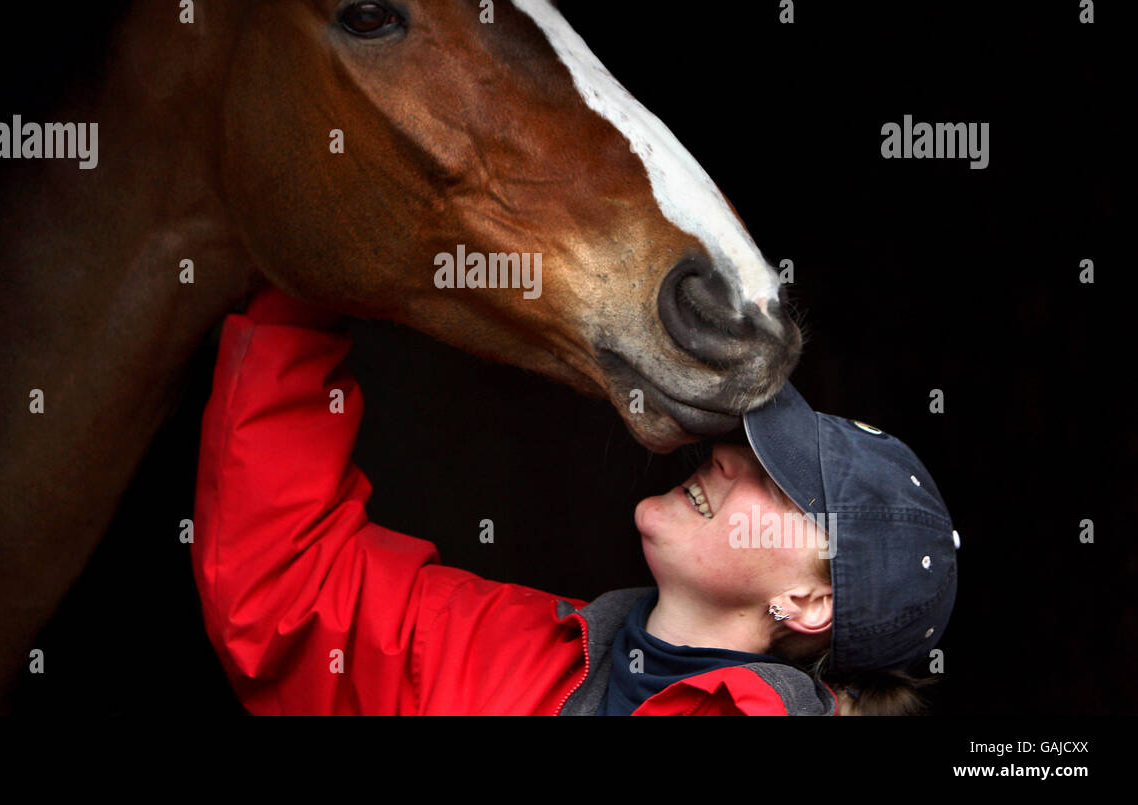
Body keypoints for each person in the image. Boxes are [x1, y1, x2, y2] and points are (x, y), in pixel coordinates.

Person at [192, 287, 959, 715]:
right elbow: (288, 591)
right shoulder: (517, 645)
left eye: (780, 481)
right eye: (749, 446)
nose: (725, 455)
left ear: (807, 599)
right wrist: (307, 287)